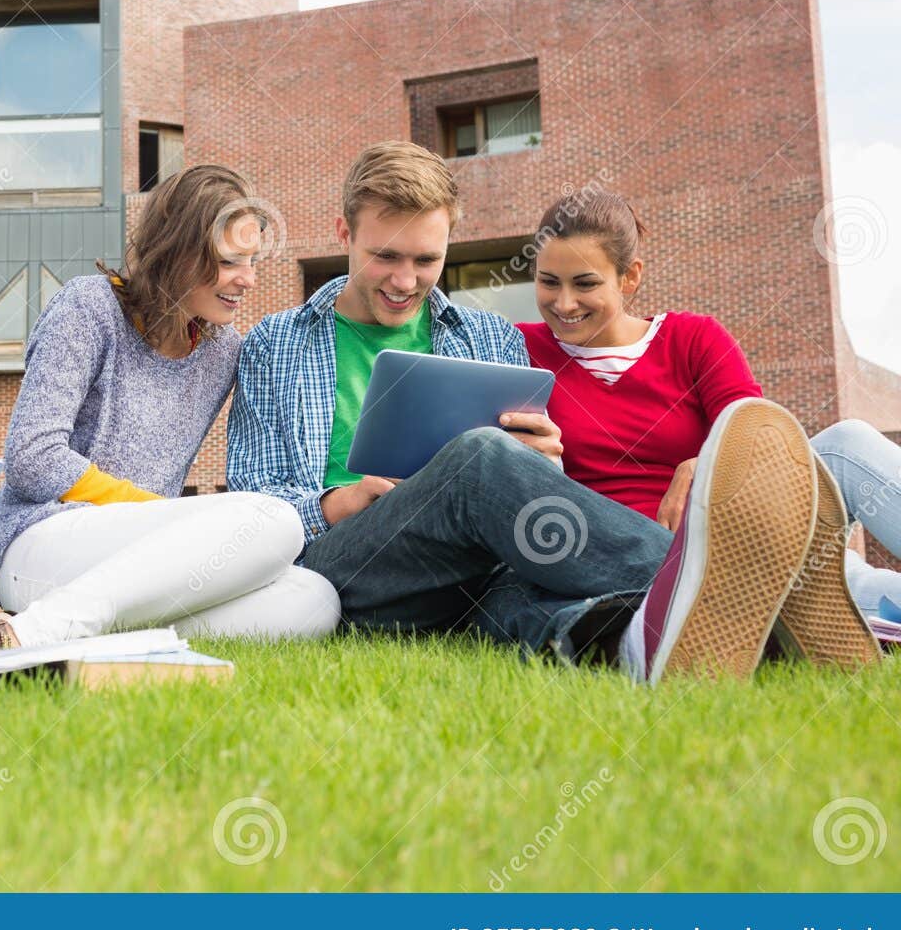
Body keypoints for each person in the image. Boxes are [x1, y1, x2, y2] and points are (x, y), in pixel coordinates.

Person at [227, 141, 858, 682]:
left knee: (529, 607)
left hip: (471, 581)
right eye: (385, 256)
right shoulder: (276, 344)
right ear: (344, 235)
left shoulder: (487, 339)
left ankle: (688, 638)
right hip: (350, 568)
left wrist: (542, 461)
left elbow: (531, 498)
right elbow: (250, 509)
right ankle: (734, 584)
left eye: (426, 259)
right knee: (477, 460)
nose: (404, 280)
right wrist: (336, 503)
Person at [0, 165, 340, 651]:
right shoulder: (89, 308)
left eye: (253, 261)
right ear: (178, 251)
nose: (249, 279)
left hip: (142, 561)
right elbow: (32, 458)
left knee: (315, 598)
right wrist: (159, 514)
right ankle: (19, 632)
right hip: (43, 540)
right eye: (231, 261)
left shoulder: (221, 351)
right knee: (273, 520)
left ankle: (90, 628)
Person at [518, 188, 884, 663]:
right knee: (847, 586)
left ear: (630, 277)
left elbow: (758, 436)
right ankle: (826, 602)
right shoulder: (518, 349)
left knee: (847, 442)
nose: (564, 303)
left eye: (585, 284)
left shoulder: (693, 338)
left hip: (737, 525)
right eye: (549, 282)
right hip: (639, 554)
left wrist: (702, 464)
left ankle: (827, 597)